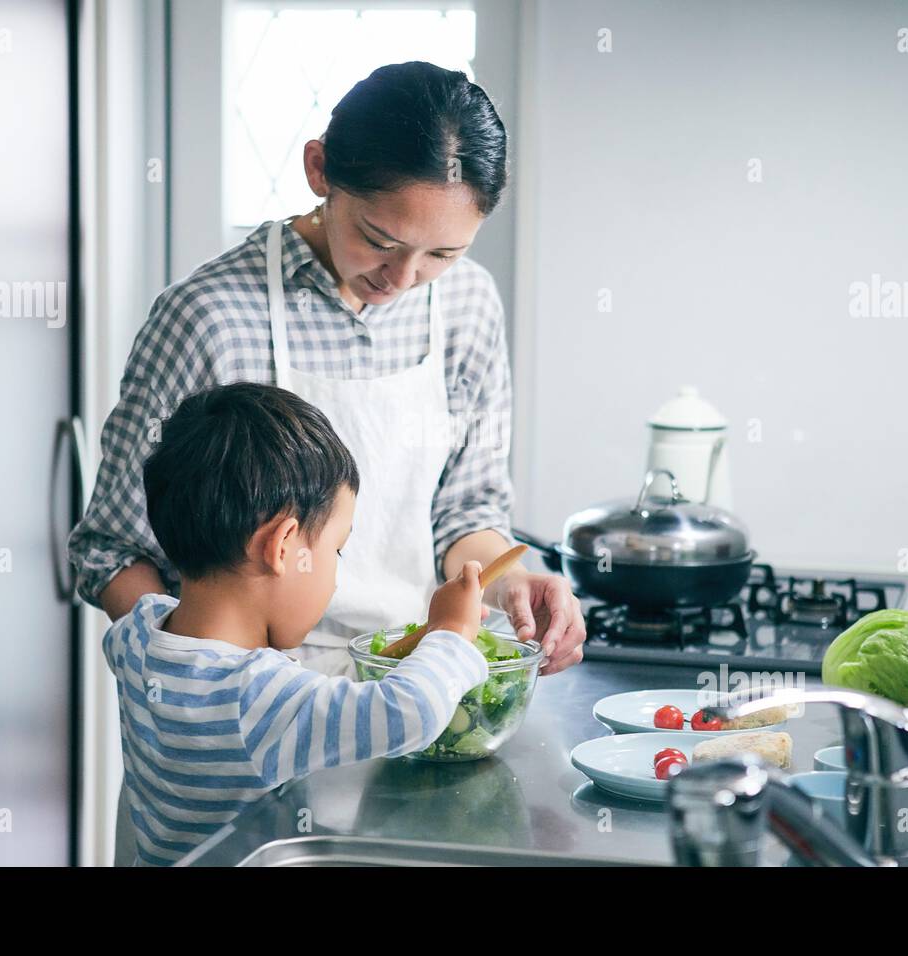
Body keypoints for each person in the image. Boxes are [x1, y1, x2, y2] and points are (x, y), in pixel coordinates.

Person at [70, 60, 585, 679]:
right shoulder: (209, 318)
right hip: (249, 704)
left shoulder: (468, 305)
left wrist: (515, 583)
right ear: (319, 170)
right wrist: (195, 683)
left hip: (418, 688)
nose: (402, 279)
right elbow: (113, 550)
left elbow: (464, 515)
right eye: (380, 240)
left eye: (443, 253)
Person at [105, 382, 491, 865]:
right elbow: (410, 711)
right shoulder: (257, 696)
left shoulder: (137, 634)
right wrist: (450, 630)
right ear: (282, 546)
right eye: (337, 550)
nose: (335, 577)